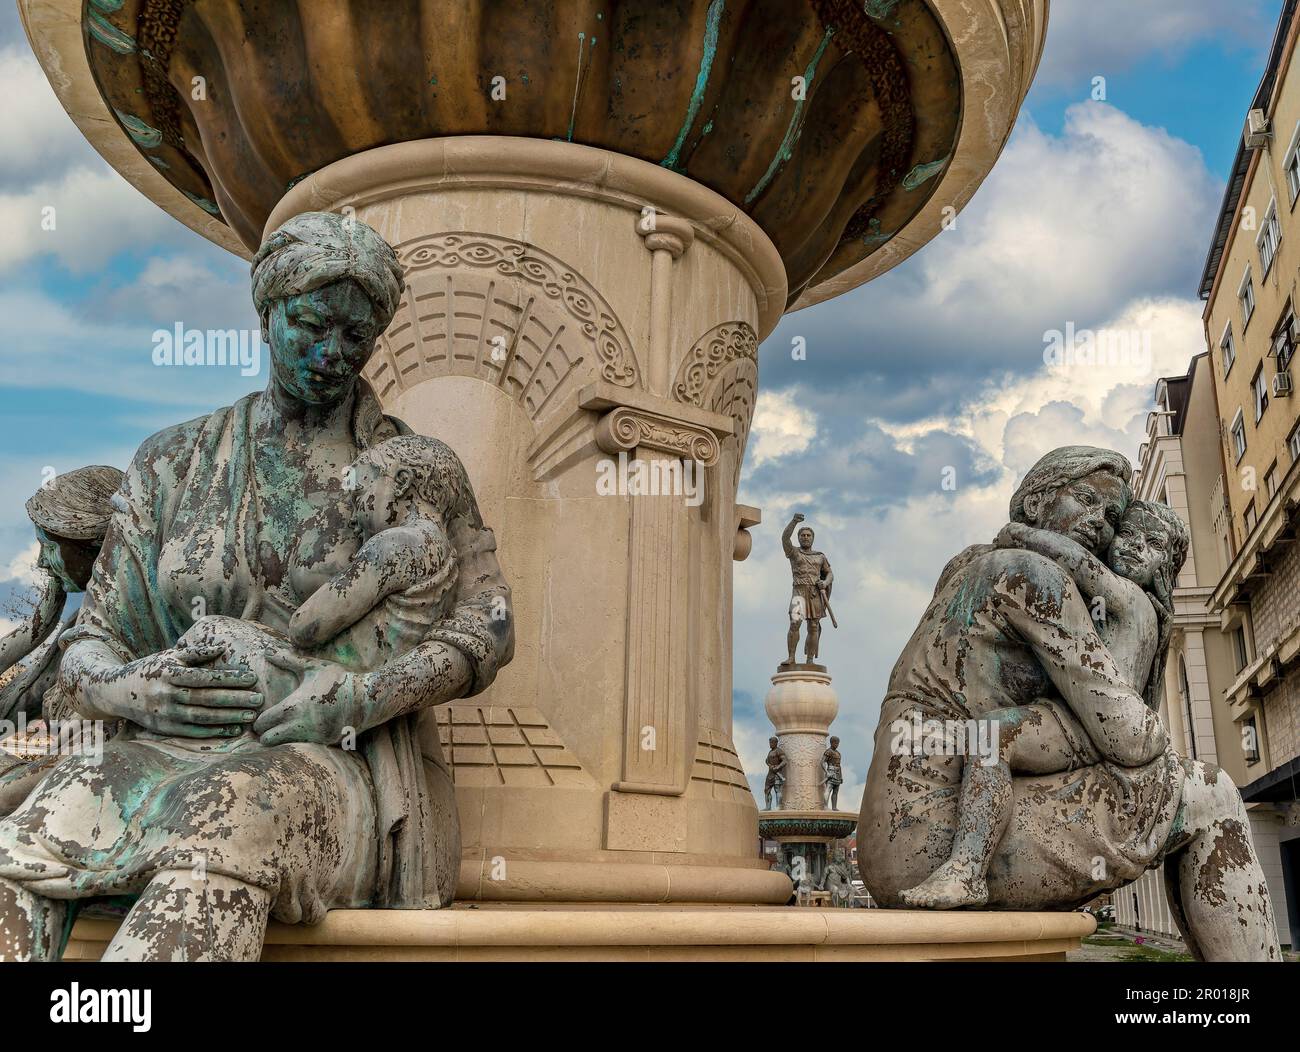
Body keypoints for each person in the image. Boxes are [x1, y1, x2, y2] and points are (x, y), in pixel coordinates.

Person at [0, 212, 514, 962]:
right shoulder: (173, 460)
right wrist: (129, 691)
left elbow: (490, 625)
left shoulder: (410, 470)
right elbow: (91, 640)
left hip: (331, 757)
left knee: (235, 816)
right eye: (309, 325)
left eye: (355, 337)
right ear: (266, 314)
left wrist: (362, 697)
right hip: (157, 745)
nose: (332, 354)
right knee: (40, 827)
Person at [858, 446, 1280, 961]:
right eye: (1085, 501)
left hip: (889, 837)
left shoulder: (969, 566)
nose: (1100, 526)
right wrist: (1152, 730)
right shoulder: (1039, 580)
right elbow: (1125, 737)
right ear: (1034, 503)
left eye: (1110, 518)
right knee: (1212, 794)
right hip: (933, 839)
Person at [899, 499, 1188, 909]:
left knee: (989, 737)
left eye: (1152, 543)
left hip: (1086, 728)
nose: (1133, 546)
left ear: (1164, 568)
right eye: (1127, 534)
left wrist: (1022, 536)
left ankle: (967, 869)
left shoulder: (1129, 597)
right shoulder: (1125, 609)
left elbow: (1081, 563)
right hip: (1080, 721)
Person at [0, 466, 125, 814]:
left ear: (96, 546)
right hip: (55, 759)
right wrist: (41, 620)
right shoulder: (81, 620)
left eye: (50, 547)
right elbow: (14, 710)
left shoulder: (123, 623)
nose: (41, 561)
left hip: (88, 775)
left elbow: (88, 746)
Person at [782, 513, 832, 666]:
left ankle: (810, 660)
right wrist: (794, 522)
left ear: (812, 538)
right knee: (795, 623)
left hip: (814, 594)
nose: (805, 537)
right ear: (799, 538)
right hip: (799, 592)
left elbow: (829, 573)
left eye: (808, 535)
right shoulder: (794, 552)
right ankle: (791, 657)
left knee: (813, 626)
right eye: (802, 535)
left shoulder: (820, 556)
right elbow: (785, 538)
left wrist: (825, 582)